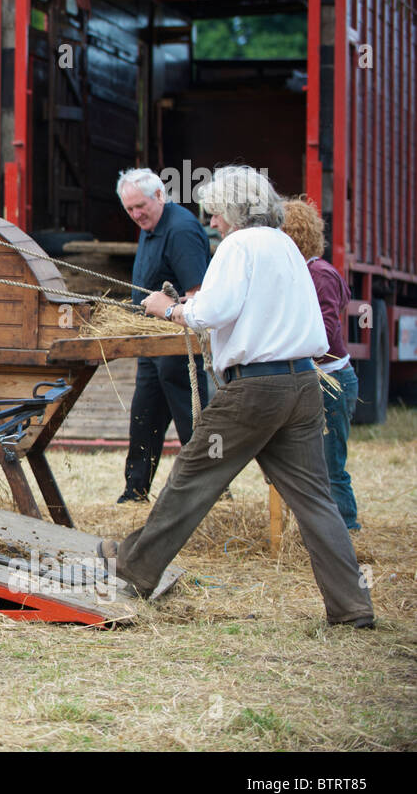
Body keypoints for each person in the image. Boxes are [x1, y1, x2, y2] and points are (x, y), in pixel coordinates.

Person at [99, 166, 374, 628]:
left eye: (216, 213)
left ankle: (132, 568)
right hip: (302, 387)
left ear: (234, 210)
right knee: (316, 501)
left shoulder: (239, 246)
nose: (213, 222)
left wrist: (169, 308)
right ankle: (353, 606)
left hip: (255, 390)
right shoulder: (287, 246)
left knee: (191, 476)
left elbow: (212, 311)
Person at [117, 168, 211, 503]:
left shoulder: (181, 230)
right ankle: (135, 492)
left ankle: (210, 491)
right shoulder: (150, 226)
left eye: (140, 206)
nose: (136, 214)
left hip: (178, 344)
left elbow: (198, 294)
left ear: (159, 195)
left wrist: (169, 310)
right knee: (144, 417)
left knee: (191, 421)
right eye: (129, 209)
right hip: (152, 342)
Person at [282, 197, 360, 532]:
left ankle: (347, 528)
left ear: (292, 236)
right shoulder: (303, 272)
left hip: (331, 379)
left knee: (330, 463)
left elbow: (324, 333)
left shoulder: (320, 274)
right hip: (313, 378)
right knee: (311, 461)